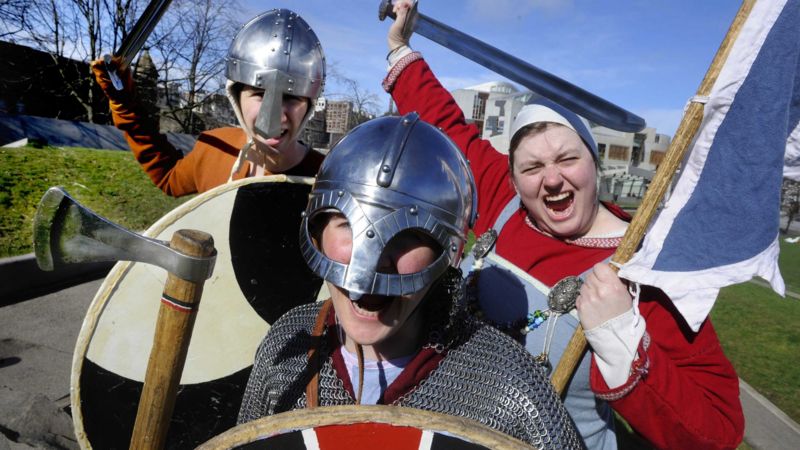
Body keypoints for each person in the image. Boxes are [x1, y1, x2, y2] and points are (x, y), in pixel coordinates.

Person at [380, 2, 745, 449]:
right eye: (532, 167)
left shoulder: (643, 268)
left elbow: (718, 430)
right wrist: (400, 46)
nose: (551, 179)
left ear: (593, 166)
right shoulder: (504, 199)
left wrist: (622, 340)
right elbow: (447, 125)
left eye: (567, 159)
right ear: (513, 175)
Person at [236, 113, 582, 449]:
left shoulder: (508, 384)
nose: (373, 265)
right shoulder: (289, 342)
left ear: (448, 253)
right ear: (317, 229)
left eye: (407, 236)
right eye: (347, 225)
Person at [91, 9, 326, 197]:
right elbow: (169, 178)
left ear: (309, 105)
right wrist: (125, 105)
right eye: (259, 93)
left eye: (292, 97)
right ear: (237, 96)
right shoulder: (214, 147)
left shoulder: (328, 177)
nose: (275, 116)